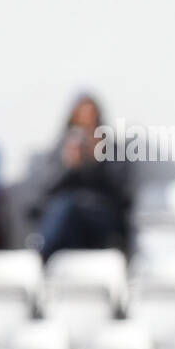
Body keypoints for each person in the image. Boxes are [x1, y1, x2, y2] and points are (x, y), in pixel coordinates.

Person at [25, 93, 130, 259]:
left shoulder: (111, 147)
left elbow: (122, 195)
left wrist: (97, 164)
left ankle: (40, 253)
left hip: (101, 218)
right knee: (64, 207)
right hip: (70, 222)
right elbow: (46, 189)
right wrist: (68, 166)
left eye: (91, 119)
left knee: (67, 206)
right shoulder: (63, 147)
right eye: (82, 120)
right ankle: (43, 254)